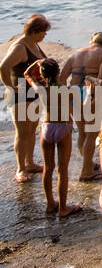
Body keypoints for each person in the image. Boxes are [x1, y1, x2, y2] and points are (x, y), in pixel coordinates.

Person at [59, 32, 102, 181]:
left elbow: (62, 78)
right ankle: (86, 171)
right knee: (91, 133)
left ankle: (88, 163)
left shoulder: (76, 53)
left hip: (73, 93)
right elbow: (100, 78)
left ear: (91, 42)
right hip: (91, 93)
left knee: (82, 132)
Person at [24, 58, 80, 217]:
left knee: (47, 169)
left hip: (47, 127)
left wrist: (36, 63)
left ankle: (50, 204)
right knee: (62, 170)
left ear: (42, 74)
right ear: (57, 71)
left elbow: (26, 74)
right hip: (63, 127)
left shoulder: (41, 88)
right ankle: (63, 208)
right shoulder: (65, 88)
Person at [2, 14, 50, 182]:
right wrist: (9, 87)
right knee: (22, 132)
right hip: (19, 95)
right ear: (34, 31)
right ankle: (20, 169)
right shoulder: (20, 47)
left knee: (31, 129)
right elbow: (3, 67)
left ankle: (29, 163)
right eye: (43, 32)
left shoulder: (34, 44)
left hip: (32, 93)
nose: (45, 35)